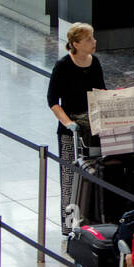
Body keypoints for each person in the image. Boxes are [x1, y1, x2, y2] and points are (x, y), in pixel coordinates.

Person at [47, 22, 106, 231]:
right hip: (71, 130)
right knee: (69, 177)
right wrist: (68, 123)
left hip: (94, 126)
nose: (93, 42)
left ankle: (93, 221)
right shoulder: (62, 66)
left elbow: (101, 92)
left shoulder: (95, 63)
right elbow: (53, 100)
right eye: (89, 39)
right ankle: (69, 225)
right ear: (75, 43)